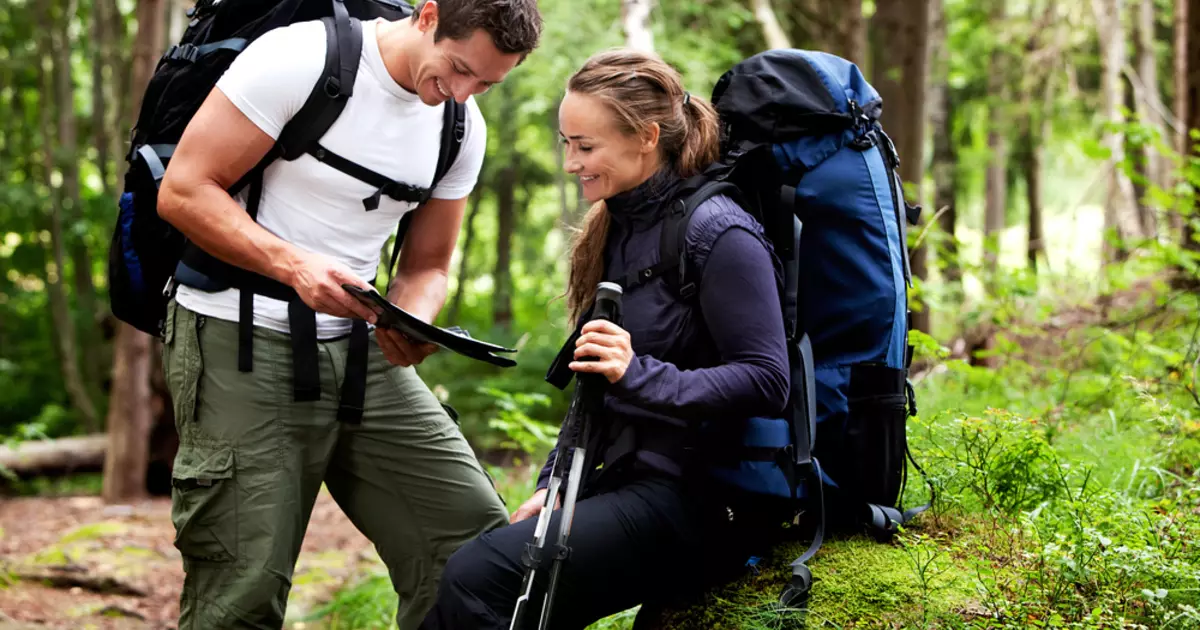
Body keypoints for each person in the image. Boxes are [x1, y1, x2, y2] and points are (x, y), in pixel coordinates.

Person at [155, 1, 542, 628]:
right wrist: (294, 266)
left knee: (473, 547)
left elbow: (428, 265)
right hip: (236, 333)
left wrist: (410, 319)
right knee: (242, 584)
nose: (463, 92)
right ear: (427, 17)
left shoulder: (461, 125)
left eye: (488, 83)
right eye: (459, 68)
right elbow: (184, 190)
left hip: (362, 351)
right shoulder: (299, 59)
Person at [419, 48, 792, 630]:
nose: (570, 163)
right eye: (566, 143)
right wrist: (556, 483)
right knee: (498, 602)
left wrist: (638, 373)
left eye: (584, 146)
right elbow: (593, 385)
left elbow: (769, 380)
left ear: (645, 136)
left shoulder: (720, 230)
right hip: (627, 479)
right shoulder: (621, 224)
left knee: (481, 576)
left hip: (707, 500)